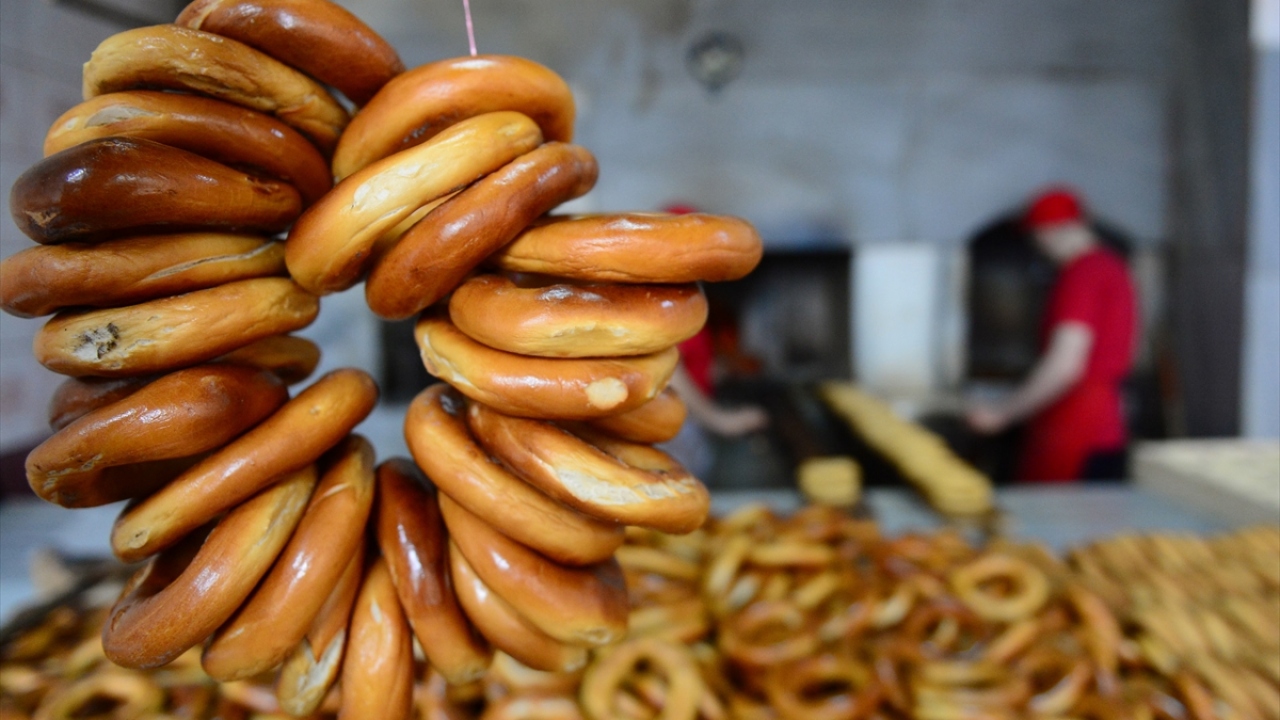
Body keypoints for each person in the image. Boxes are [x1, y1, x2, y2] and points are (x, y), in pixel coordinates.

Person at [965, 187, 1138, 482]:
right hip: (1106, 425)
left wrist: (1002, 414)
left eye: (1036, 237)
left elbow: (1064, 365)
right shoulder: (1112, 265)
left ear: (1045, 232)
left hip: (1076, 427)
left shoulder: (1081, 274)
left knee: (1058, 512)